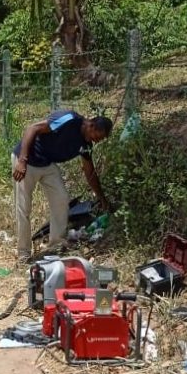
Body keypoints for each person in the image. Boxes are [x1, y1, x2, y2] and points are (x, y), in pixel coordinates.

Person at [12, 110, 113, 262]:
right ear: (91, 125)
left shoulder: (86, 145)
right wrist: (22, 160)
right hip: (27, 160)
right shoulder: (70, 119)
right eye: (97, 136)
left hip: (47, 163)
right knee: (24, 207)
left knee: (61, 200)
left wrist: (102, 199)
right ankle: (24, 254)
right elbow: (32, 128)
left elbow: (89, 172)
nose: (96, 141)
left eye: (100, 140)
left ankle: (55, 247)